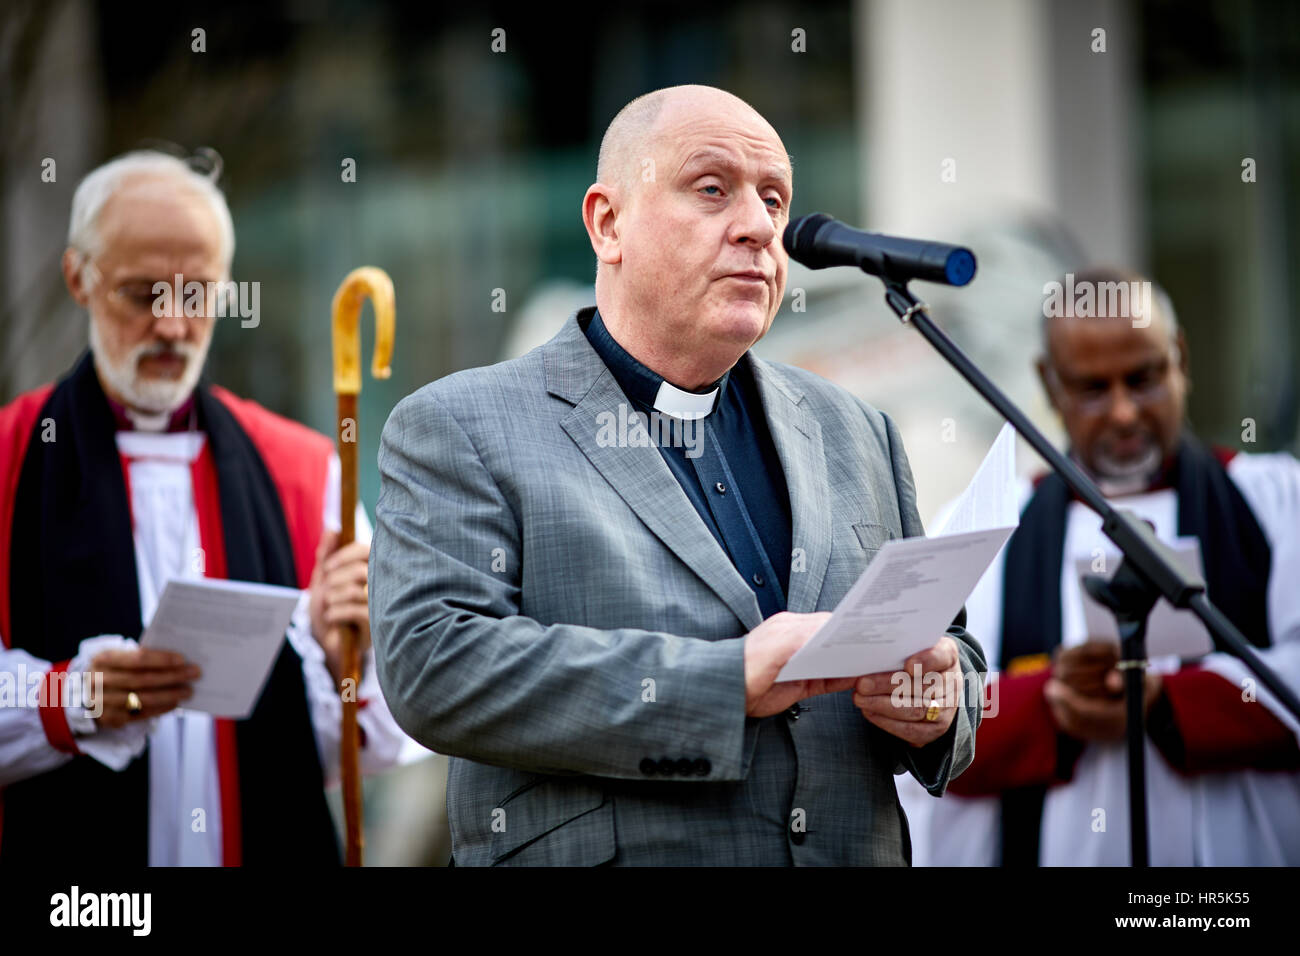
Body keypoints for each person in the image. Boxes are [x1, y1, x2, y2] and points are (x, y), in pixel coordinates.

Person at [370, 84, 986, 866]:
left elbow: (952, 648)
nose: (760, 226)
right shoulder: (461, 426)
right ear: (607, 223)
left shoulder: (856, 430)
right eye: (711, 189)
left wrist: (940, 702)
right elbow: (437, 666)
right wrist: (721, 683)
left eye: (774, 199)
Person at [0, 150, 408, 865]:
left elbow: (367, 746)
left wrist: (348, 661)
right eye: (142, 292)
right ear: (78, 278)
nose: (173, 325)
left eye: (198, 294)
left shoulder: (305, 469)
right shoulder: (9, 460)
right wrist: (67, 702)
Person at [898, 266, 1300, 866]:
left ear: (1180, 358)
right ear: (1049, 385)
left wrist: (1163, 700)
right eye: (1092, 388)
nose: (1123, 414)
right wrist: (1051, 702)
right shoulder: (983, 525)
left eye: (1144, 379)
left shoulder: (1278, 501)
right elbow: (913, 715)